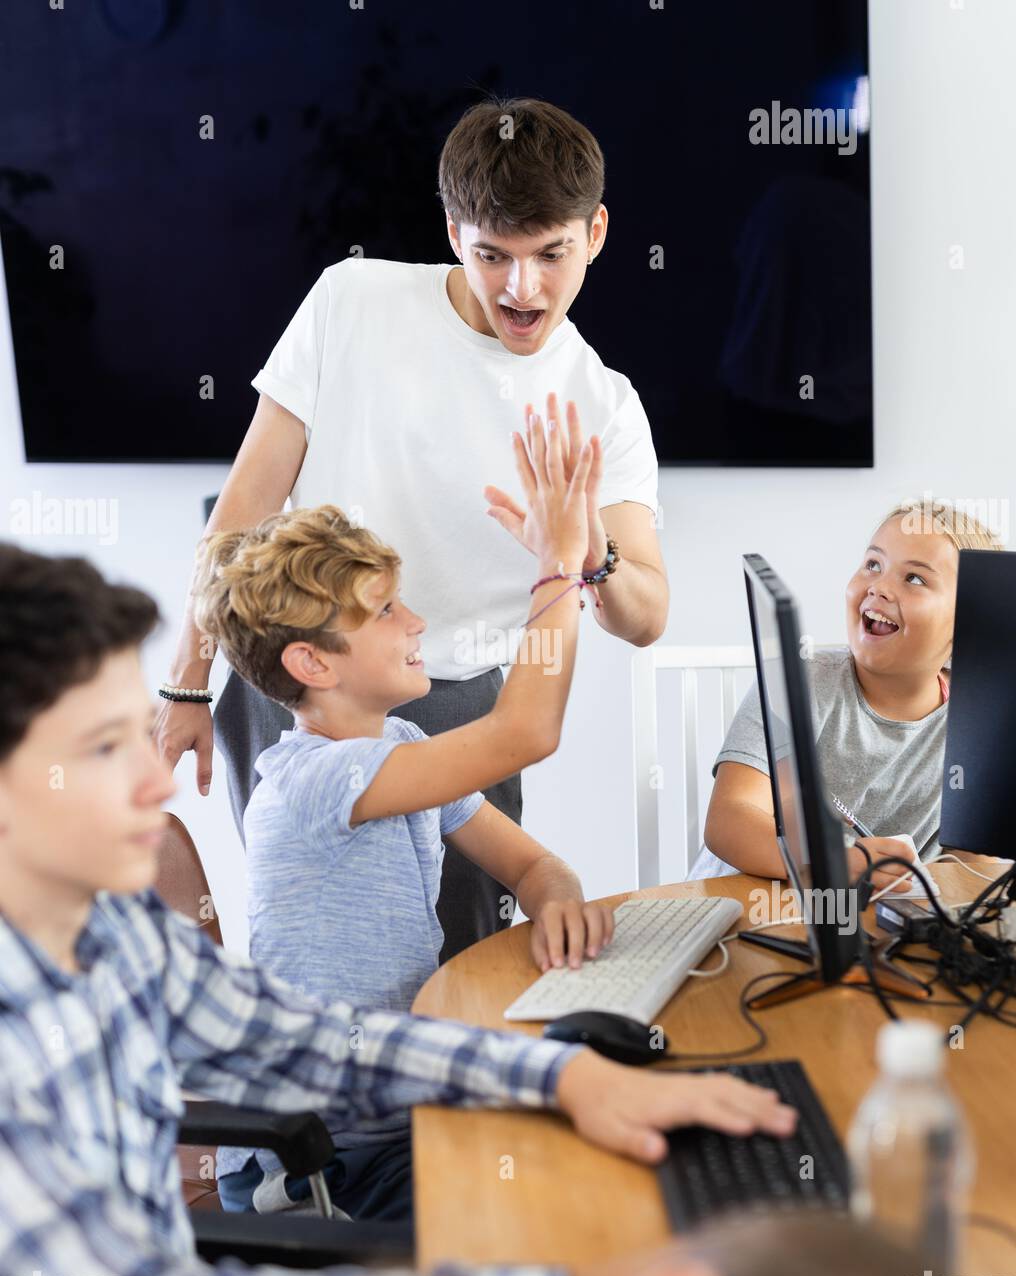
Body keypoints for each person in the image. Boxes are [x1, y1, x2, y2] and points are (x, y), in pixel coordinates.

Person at [0, 540, 793, 1276]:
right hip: (333, 1173)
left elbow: (307, 1039)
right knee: (593, 1223)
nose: (158, 781)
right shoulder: (313, 780)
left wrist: (568, 1076)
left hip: (388, 1130)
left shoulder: (116, 935)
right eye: (107, 748)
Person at [154, 96, 669, 963]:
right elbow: (242, 515)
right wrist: (186, 683)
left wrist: (588, 550)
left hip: (461, 688)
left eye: (552, 254)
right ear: (452, 228)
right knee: (319, 933)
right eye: (491, 255)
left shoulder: (604, 406)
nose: (522, 288)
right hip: (296, 673)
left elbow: (645, 615)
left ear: (598, 232)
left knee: (462, 945)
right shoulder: (351, 300)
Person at [192, 407, 627, 1218]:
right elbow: (527, 730)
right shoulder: (318, 781)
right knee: (561, 1198)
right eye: (387, 610)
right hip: (331, 1158)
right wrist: (557, 567)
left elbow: (530, 863)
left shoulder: (396, 744)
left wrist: (557, 895)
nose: (417, 622)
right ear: (312, 662)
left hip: (395, 1105)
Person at [696, 499, 1004, 887]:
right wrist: (834, 862)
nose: (879, 587)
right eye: (873, 564)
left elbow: (971, 865)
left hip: (863, 928)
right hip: (742, 909)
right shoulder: (800, 683)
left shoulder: (974, 725)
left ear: (968, 625)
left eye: (914, 579)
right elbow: (728, 819)